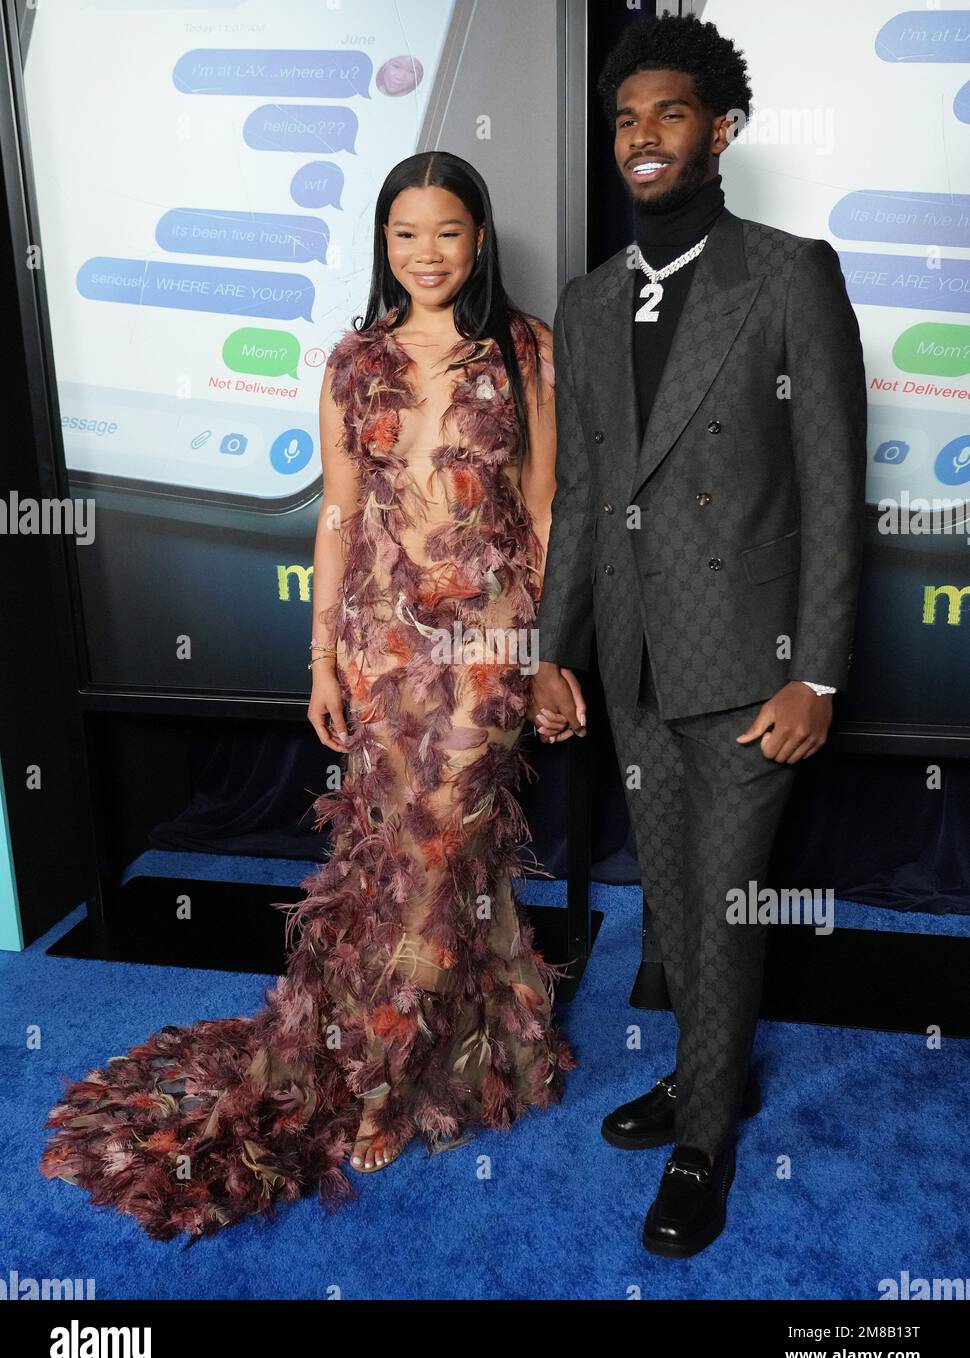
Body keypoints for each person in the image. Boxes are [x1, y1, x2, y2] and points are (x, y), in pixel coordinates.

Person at [40, 151, 575, 1243]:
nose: (426, 254)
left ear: (480, 239)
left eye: (448, 233)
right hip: (382, 650)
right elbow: (335, 517)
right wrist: (322, 660)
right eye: (404, 235)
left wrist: (550, 651)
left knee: (435, 851)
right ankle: (500, 1038)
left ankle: (383, 1079)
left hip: (484, 650)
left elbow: (546, 508)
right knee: (402, 853)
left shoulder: (527, 354)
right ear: (383, 244)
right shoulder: (354, 360)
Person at [532, 13, 867, 1257]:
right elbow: (578, 496)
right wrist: (553, 649)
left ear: (720, 130)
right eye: (626, 119)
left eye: (669, 114)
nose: (642, 137)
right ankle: (700, 1071)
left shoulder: (787, 273)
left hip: (750, 665)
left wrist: (818, 672)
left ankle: (704, 1142)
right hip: (631, 655)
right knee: (671, 901)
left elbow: (836, 490)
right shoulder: (587, 298)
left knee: (722, 904)